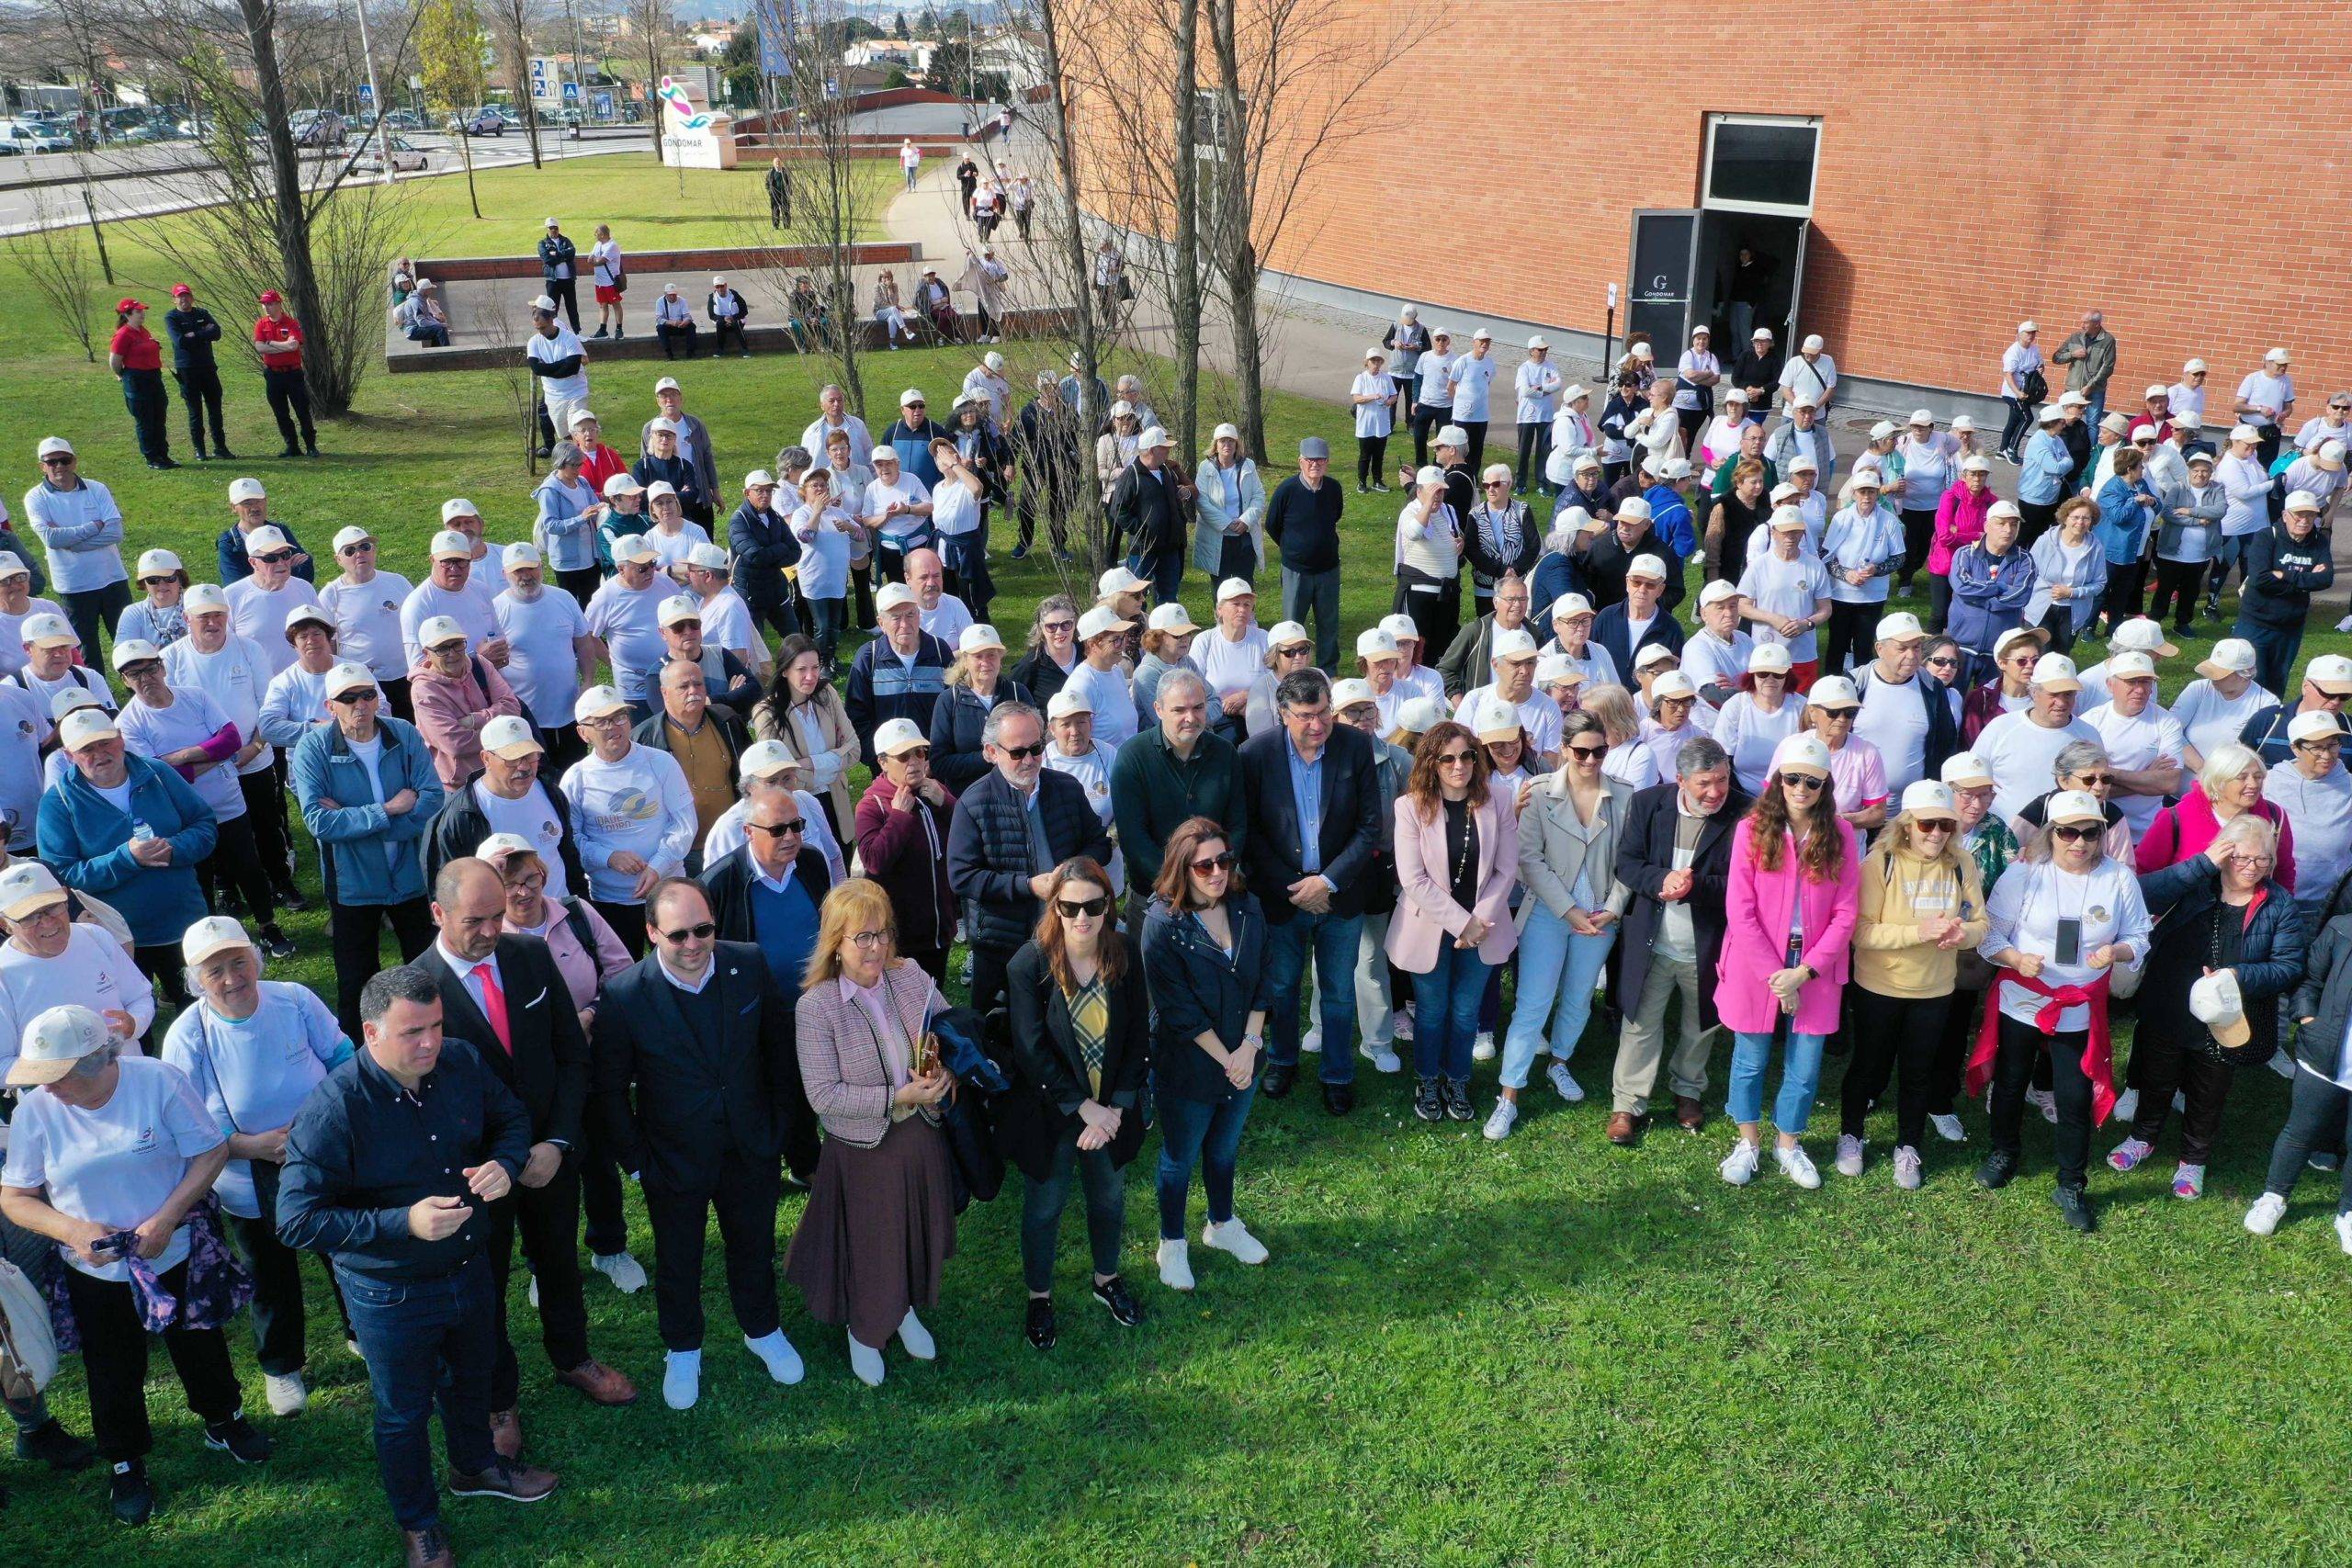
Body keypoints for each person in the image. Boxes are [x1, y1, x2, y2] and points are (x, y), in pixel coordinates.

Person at [275, 964, 552, 1564]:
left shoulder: (461, 1061)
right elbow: (295, 1219)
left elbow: (510, 1118)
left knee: (472, 1377)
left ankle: (475, 1466)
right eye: (412, 1032)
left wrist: (506, 1162)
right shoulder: (334, 1108)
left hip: (469, 1265)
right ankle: (419, 1523)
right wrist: (403, 1222)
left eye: (435, 1026)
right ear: (371, 1033)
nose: (429, 1043)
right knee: (403, 1413)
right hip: (390, 1292)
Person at [1, 1005, 265, 1526]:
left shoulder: (158, 1082)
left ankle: (224, 1420)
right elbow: (14, 1197)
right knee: (111, 1368)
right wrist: (73, 1231)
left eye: (58, 1076)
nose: (47, 1087)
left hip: (174, 1248)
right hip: (95, 1269)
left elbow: (209, 1152)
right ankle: (125, 1462)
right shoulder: (37, 1110)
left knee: (201, 1344)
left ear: (98, 1061)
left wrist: (167, 1218)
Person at [413, 858, 636, 1447]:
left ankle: (573, 1358)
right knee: (483, 1285)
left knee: (559, 1261)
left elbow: (571, 1056)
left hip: (547, 1157)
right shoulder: (417, 988)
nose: (492, 931)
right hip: (475, 1174)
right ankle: (498, 1399)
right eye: (475, 921)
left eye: (497, 916)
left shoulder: (530, 956)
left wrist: (557, 1142)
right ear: (438, 914)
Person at [157, 915, 349, 1420]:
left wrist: (324, 1127)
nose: (231, 978)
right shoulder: (187, 1035)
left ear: (256, 959)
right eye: (215, 971)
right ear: (196, 981)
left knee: (345, 1252)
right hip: (246, 1178)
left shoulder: (295, 999)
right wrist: (249, 1146)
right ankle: (281, 1366)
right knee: (270, 1273)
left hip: (324, 1158)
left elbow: (343, 1059)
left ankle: (362, 1331)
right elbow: (183, 1122)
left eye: (238, 962)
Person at [783, 877, 957, 1385]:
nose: (876, 947)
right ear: (835, 943)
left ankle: (903, 1311)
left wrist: (946, 1072)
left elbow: (948, 1031)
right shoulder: (817, 1007)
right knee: (874, 1244)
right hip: (864, 1149)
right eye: (862, 937)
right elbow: (824, 1096)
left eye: (883, 934)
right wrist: (896, 1098)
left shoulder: (911, 975)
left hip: (920, 1137)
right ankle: (864, 1331)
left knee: (911, 1234)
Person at [1972, 789, 2152, 1232]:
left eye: (2090, 833)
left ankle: (2071, 1182)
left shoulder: (2118, 878)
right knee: (2011, 1081)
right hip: (2024, 999)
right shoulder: (2024, 874)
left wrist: (2117, 951)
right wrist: (2016, 959)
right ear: (2051, 833)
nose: (2080, 842)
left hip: (2079, 1006)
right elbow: (1990, 935)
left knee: (2074, 1096)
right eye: (2069, 833)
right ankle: (2003, 1152)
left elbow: (2140, 935)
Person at [2111, 818, 2301, 1202]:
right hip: (2169, 999)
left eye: (2262, 859)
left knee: (2208, 1089)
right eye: (2241, 857)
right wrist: (2201, 863)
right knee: (2156, 1075)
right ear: (2224, 854)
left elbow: (2289, 966)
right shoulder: (2198, 883)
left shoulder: (2278, 903)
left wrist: (2238, 975)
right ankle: (2143, 1136)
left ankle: (2193, 1159)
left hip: (2227, 1015)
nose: (2252, 867)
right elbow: (2141, 894)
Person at [1002, 858, 1149, 1348]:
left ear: (1109, 904)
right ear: (1055, 909)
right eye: (1070, 907)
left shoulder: (1125, 952)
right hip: (1052, 1114)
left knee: (1108, 1197)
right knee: (1045, 1206)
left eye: (1093, 905)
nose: (1082, 917)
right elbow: (1030, 1050)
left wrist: (1115, 1111)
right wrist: (1084, 1108)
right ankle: (1039, 1296)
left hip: (1109, 1114)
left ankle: (1106, 1280)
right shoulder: (1029, 965)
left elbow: (1137, 1038)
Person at [1713, 733, 1858, 1190]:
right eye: (1792, 779)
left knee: (1806, 1065)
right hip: (1758, 960)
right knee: (1750, 1058)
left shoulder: (1841, 834)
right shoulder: (1751, 829)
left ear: (1825, 786)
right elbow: (1740, 909)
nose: (1801, 788)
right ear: (1778, 780)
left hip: (1814, 964)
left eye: (1812, 782)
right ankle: (1748, 1142)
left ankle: (1788, 1144)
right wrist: (1778, 976)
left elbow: (1846, 912)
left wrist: (1804, 971)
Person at [1234, 668, 1381, 1111]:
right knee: (1281, 987)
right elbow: (1250, 833)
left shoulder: (1355, 746)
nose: (1317, 725)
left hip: (1341, 894)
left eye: (1323, 713)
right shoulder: (1254, 755)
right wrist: (1295, 888)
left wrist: (1327, 882)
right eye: (1305, 716)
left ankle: (1337, 1072)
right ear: (1283, 714)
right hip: (1282, 896)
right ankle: (1282, 1060)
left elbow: (1369, 826)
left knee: (1338, 990)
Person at [1136, 816, 1272, 1291]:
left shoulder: (1247, 906)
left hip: (1243, 1057)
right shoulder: (1162, 925)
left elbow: (1264, 979)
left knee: (1224, 1148)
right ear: (1181, 868)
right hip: (1189, 1066)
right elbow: (1179, 1010)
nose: (1217, 872)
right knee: (1180, 1157)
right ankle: (1172, 1242)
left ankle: (1222, 1224)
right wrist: (1231, 1059)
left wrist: (1249, 1047)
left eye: (1223, 860)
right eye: (1204, 865)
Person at [1840, 781, 1988, 1189]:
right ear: (1906, 824)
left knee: (1919, 1072)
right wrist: (1918, 932)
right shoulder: (1880, 863)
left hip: (1935, 989)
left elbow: (1981, 923)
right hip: (1880, 986)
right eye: (1927, 824)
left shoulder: (1961, 863)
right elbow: (1860, 932)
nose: (1937, 833)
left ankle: (1908, 1146)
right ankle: (1851, 1135)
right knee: (1867, 1066)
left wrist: (1963, 936)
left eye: (1945, 824)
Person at [1488, 710, 1628, 1138]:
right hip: (1549, 912)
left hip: (1601, 916)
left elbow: (1631, 860)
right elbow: (1528, 859)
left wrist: (1614, 907)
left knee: (1580, 996)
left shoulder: (1624, 794)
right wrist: (1569, 910)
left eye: (1599, 751)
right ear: (1565, 749)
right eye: (1581, 752)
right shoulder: (1538, 791)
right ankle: (1509, 1094)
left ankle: (1559, 1062)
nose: (1590, 760)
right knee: (1533, 1001)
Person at [112, 637, 294, 960]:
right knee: (199, 878)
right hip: (183, 815)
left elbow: (231, 739)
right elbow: (157, 775)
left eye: (150, 668)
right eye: (135, 674)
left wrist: (181, 756)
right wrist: (212, 755)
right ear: (125, 681)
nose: (145, 678)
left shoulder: (195, 697)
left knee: (248, 866)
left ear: (162, 668)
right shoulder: (128, 723)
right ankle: (211, 939)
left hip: (228, 801)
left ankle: (268, 926)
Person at [289, 664, 440, 1035]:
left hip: (410, 876)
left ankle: (437, 1040)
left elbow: (431, 796)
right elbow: (318, 822)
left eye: (368, 694)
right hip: (352, 884)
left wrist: (356, 822)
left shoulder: (403, 733)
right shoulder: (313, 748)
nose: (360, 704)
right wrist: (387, 810)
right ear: (330, 706)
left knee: (428, 971)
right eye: (349, 698)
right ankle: (359, 1052)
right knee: (356, 980)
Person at [37, 705, 217, 1011]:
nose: (100, 754)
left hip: (184, 925)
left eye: (105, 742)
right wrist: (127, 858)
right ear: (69, 755)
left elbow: (204, 824)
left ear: (120, 739)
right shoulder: (58, 803)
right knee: (131, 1024)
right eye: (87, 749)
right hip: (116, 941)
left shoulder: (158, 774)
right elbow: (60, 875)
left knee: (204, 1012)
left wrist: (173, 848)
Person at [1384, 718, 1518, 1123]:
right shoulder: (1410, 807)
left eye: (1466, 756)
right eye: (1447, 759)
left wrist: (1479, 921)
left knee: (1465, 1011)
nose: (1458, 766)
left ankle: (1457, 1079)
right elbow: (1413, 879)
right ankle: (1427, 1080)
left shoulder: (1499, 798)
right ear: (1431, 762)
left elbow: (1506, 869)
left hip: (1484, 925)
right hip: (1429, 926)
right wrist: (1463, 924)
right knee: (1431, 1009)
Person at [946, 701, 1111, 1018]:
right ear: (991, 752)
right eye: (1017, 752)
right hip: (1002, 946)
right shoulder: (973, 803)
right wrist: (1028, 886)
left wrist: (1073, 872)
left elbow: (1100, 843)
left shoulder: (1066, 788)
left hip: (1068, 935)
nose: (1029, 760)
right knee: (1002, 1031)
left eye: (1036, 749)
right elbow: (962, 876)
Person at [752, 637, 860, 843]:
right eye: (802, 669)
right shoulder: (767, 713)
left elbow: (854, 749)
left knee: (841, 861)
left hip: (836, 803)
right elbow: (776, 775)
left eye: (815, 667)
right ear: (785, 671)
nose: (811, 676)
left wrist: (808, 764)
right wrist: (833, 762)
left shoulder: (827, 694)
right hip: (798, 811)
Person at [2235, 490, 2335, 697]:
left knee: (2277, 684)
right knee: (2248, 680)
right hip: (2256, 623)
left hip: (2290, 627)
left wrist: (2283, 575)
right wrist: (2306, 580)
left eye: (2310, 515)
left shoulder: (2319, 541)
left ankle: (2272, 717)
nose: (2304, 521)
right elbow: (2260, 579)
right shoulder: (2266, 536)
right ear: (2285, 515)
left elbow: (2325, 579)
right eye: (2299, 515)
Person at [408, 615, 524, 791]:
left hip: (501, 773)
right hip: (460, 786)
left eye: (457, 644)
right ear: (426, 653)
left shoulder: (480, 664)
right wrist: (503, 733)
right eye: (442, 649)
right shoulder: (423, 690)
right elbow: (455, 744)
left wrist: (473, 720)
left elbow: (512, 707)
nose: (452, 654)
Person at [1948, 501, 2038, 685]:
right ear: (1986, 526)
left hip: (1999, 649)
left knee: (1990, 700)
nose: (2008, 530)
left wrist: (1980, 599)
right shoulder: (1965, 554)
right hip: (1961, 644)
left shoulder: (2025, 560)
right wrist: (1999, 587)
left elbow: (2020, 596)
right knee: (1953, 697)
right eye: (2001, 523)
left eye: (2013, 525)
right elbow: (1962, 586)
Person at [161, 283, 232, 457]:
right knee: (195, 412)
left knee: (215, 409)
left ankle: (220, 448)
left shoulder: (202, 313)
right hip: (187, 370)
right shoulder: (172, 317)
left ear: (192, 297)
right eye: (180, 296)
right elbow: (180, 341)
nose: (184, 299)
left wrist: (194, 334)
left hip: (208, 367)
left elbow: (217, 333)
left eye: (186, 295)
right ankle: (200, 450)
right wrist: (203, 333)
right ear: (174, 299)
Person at [525, 295, 590, 458]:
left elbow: (573, 368)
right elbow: (537, 369)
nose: (541, 331)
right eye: (537, 328)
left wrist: (549, 369)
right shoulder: (534, 342)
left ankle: (585, 462)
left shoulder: (568, 337)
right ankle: (576, 459)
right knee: (565, 435)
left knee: (577, 429)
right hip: (553, 396)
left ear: (551, 319)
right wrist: (562, 365)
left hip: (576, 392)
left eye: (543, 327)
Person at [2051, 310, 2117, 427]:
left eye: (2086, 323)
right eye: (2081, 322)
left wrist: (2091, 386)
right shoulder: (2075, 337)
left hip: (2095, 389)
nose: (2082, 326)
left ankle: (2088, 441)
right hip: (2073, 388)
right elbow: (2056, 358)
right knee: (2067, 420)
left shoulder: (2108, 340)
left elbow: (2108, 367)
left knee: (2092, 424)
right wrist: (2072, 354)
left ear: (2097, 324)